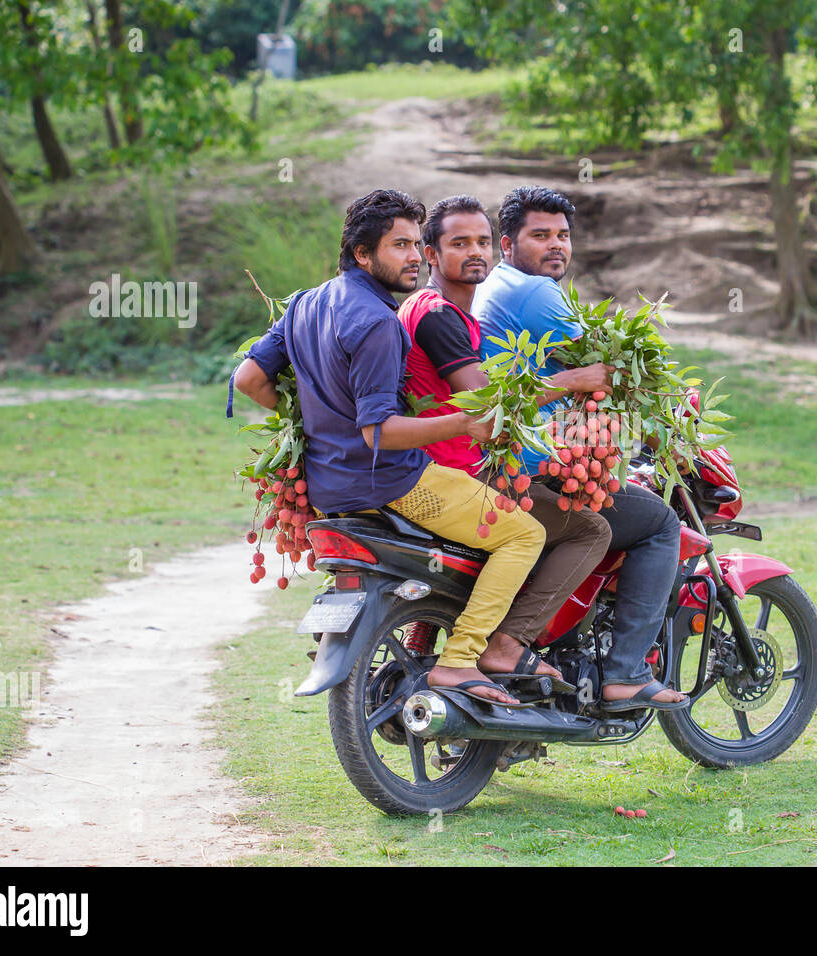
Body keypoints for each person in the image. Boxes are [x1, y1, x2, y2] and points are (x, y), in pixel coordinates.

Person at [231, 188, 541, 708]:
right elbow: (380, 433)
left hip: (330, 488)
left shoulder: (307, 302)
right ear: (362, 253)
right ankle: (463, 658)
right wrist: (463, 421)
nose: (415, 257)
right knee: (523, 536)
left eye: (418, 245)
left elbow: (248, 377)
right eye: (400, 245)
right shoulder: (378, 322)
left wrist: (321, 426)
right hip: (397, 484)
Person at [470, 185, 687, 711]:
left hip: (515, 459)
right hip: (531, 467)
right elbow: (609, 367)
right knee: (659, 524)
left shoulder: (494, 287)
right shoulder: (535, 293)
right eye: (540, 235)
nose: (556, 246)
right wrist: (664, 426)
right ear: (507, 243)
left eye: (563, 236)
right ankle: (626, 673)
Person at [398, 194, 614, 682]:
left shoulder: (445, 310)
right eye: (459, 243)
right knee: (585, 529)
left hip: (457, 465)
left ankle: (429, 633)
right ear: (430, 254)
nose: (475, 252)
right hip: (457, 471)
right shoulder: (439, 316)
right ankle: (506, 645)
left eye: (479, 242)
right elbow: (489, 403)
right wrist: (576, 380)